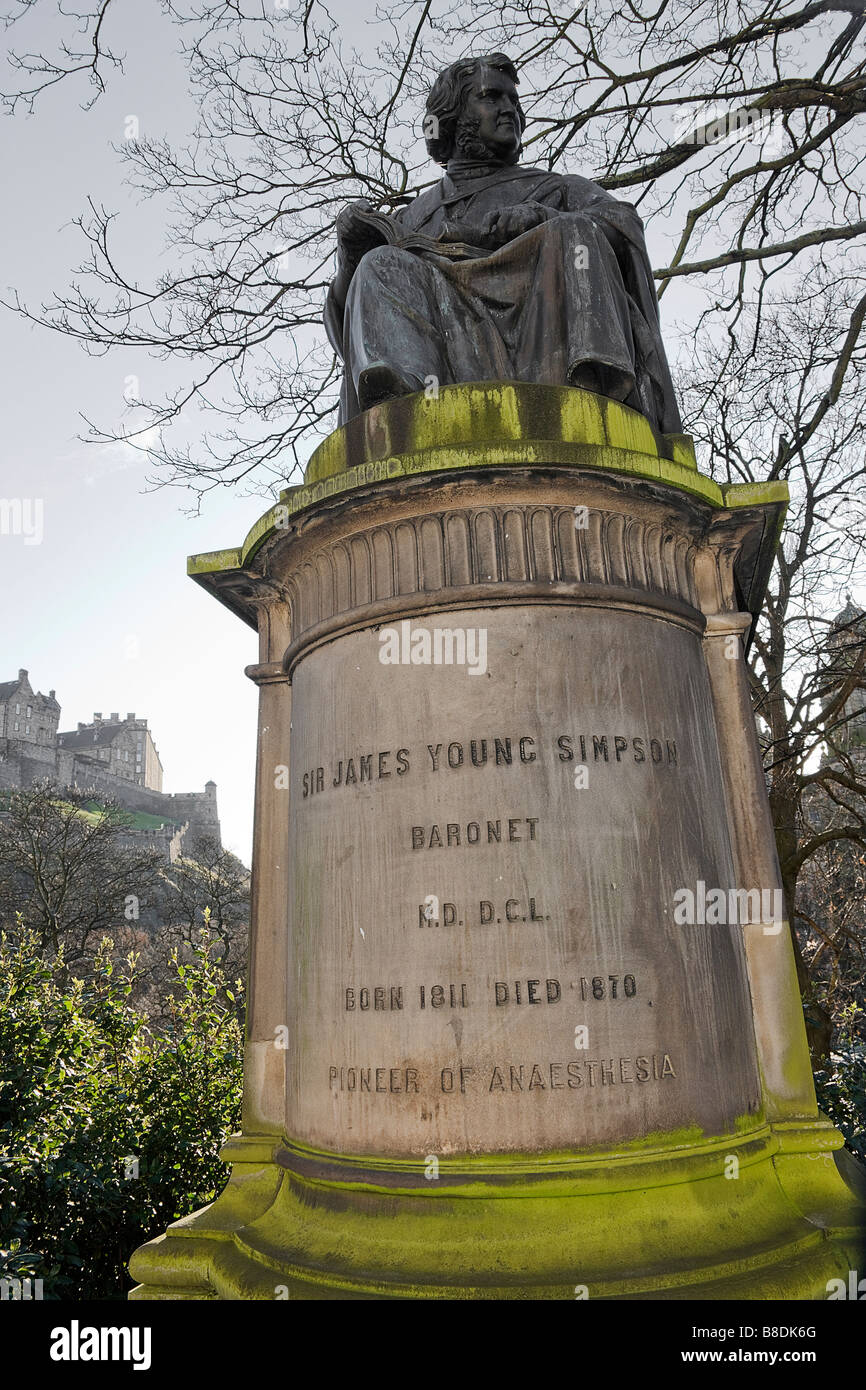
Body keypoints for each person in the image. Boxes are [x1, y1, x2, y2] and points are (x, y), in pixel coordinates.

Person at [325, 52, 681, 434]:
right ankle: (403, 411)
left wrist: (545, 218)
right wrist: (351, 258)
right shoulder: (413, 218)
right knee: (378, 263)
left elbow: (622, 226)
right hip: (446, 351)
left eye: (514, 100)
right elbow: (346, 326)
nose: (509, 109)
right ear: (452, 117)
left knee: (576, 231)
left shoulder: (554, 188)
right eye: (491, 97)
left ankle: (592, 396)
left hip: (538, 346)